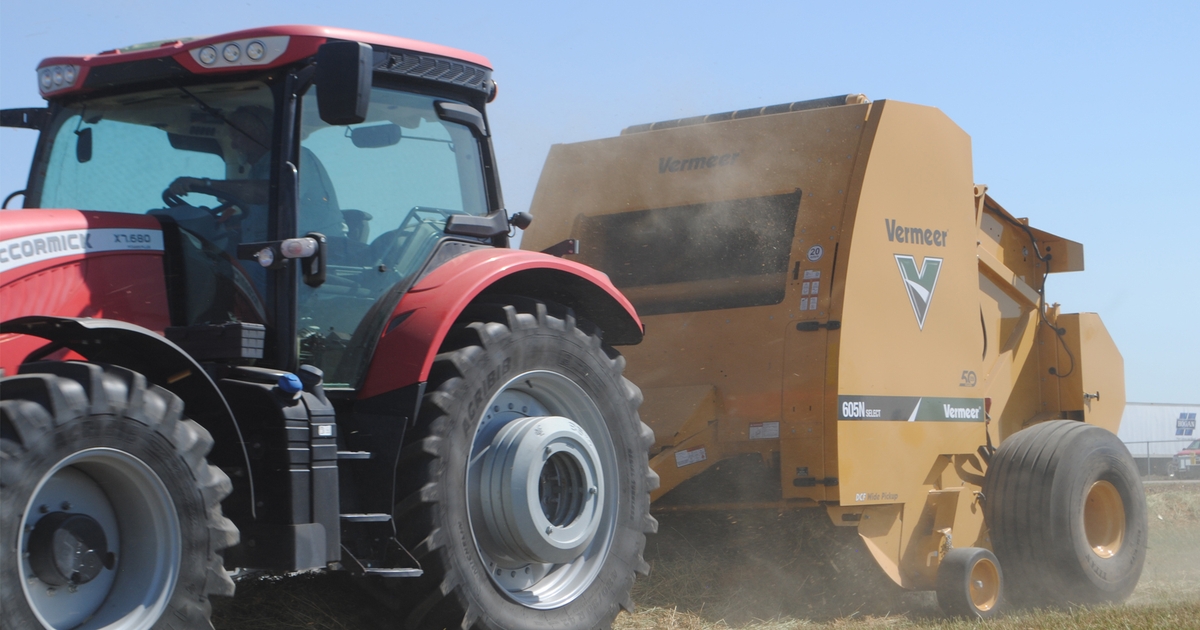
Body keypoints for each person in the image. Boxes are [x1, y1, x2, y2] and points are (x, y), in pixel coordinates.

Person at [167, 105, 345, 238]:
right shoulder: (258, 170)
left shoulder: (296, 157)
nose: (234, 145)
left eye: (237, 136)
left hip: (306, 255)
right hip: (268, 252)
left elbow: (271, 193)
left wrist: (205, 184)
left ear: (258, 132)